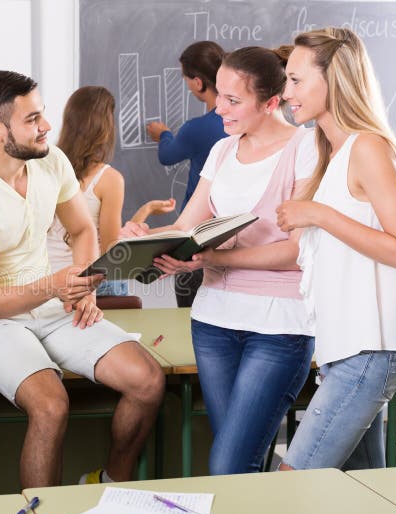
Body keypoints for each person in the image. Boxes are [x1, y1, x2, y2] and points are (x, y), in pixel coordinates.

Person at [0, 70, 165, 488]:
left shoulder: (51, 160)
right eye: (32, 119)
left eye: (42, 113)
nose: (46, 126)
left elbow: (82, 230)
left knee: (147, 380)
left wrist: (85, 288)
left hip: (51, 306)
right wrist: (54, 286)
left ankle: (109, 481)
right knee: (50, 405)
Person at [122, 46, 317, 475]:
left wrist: (216, 258)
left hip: (278, 326)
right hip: (213, 322)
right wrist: (143, 235)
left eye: (233, 100)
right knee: (238, 462)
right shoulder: (223, 150)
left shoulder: (306, 149)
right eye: (220, 96)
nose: (219, 109)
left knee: (229, 464)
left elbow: (298, 251)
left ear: (270, 102)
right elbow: (186, 226)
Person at [277, 27, 396, 471]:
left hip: (370, 351)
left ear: (334, 79)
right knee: (361, 489)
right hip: (347, 350)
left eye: (296, 80)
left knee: (292, 478)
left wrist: (319, 215)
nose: (286, 93)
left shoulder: (367, 148)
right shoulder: (331, 153)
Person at [47, 86, 175, 297]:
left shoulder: (47, 168)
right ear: (104, 128)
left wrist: (146, 210)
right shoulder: (109, 179)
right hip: (87, 284)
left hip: (49, 282)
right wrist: (148, 223)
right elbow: (111, 252)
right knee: (115, 279)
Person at [145, 41, 228, 307]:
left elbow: (167, 155)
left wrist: (164, 134)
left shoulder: (198, 128)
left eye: (187, 80)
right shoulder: (235, 126)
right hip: (230, 235)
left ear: (198, 82)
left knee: (190, 311)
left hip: (197, 235)